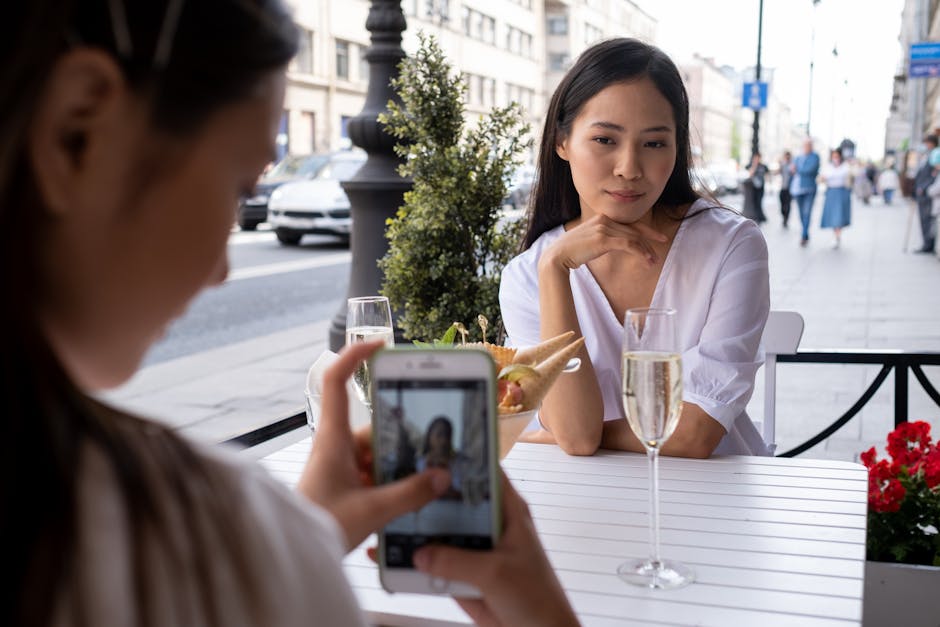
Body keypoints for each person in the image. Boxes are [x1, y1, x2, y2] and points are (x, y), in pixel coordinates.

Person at [3, 2, 579, 626]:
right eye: (237, 189)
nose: (220, 271)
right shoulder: (186, 529)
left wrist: (300, 539)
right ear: (77, 132)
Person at [499, 38, 770, 459]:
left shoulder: (731, 245)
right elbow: (575, 434)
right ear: (562, 142)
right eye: (605, 140)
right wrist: (555, 267)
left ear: (677, 149)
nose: (629, 168)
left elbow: (698, 432)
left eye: (655, 143)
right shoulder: (529, 273)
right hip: (586, 500)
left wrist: (580, 431)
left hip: (717, 496)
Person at [819, 148, 853, 248]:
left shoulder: (845, 166)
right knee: (833, 216)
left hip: (841, 192)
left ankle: (837, 236)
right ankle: (836, 235)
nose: (835, 159)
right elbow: (823, 177)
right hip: (831, 192)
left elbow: (846, 176)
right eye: (833, 157)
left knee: (839, 216)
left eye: (837, 157)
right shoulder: (828, 166)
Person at [790, 137, 821, 247]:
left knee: (807, 212)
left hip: (809, 189)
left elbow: (810, 170)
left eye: (808, 145)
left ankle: (804, 235)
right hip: (797, 189)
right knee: (801, 213)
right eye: (805, 145)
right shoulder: (798, 157)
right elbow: (791, 168)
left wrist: (797, 168)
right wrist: (793, 168)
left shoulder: (815, 157)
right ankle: (805, 232)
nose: (806, 147)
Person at [913, 134, 939, 253]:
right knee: (924, 220)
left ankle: (928, 245)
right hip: (921, 193)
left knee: (927, 220)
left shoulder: (935, 155)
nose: (925, 145)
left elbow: (933, 176)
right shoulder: (927, 155)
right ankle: (926, 243)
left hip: (927, 193)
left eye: (927, 143)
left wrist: (924, 188)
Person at [742, 152, 768, 224]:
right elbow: (750, 173)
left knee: (759, 202)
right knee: (754, 202)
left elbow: (767, 174)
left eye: (758, 158)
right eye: (755, 158)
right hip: (753, 188)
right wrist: (754, 165)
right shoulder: (751, 165)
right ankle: (757, 217)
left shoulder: (763, 166)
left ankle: (760, 217)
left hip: (761, 187)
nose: (757, 159)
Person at [779, 150, 793, 227]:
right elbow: (778, 172)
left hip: (790, 189)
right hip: (783, 188)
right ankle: (784, 216)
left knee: (787, 205)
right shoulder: (782, 165)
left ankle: (786, 219)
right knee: (782, 205)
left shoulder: (792, 165)